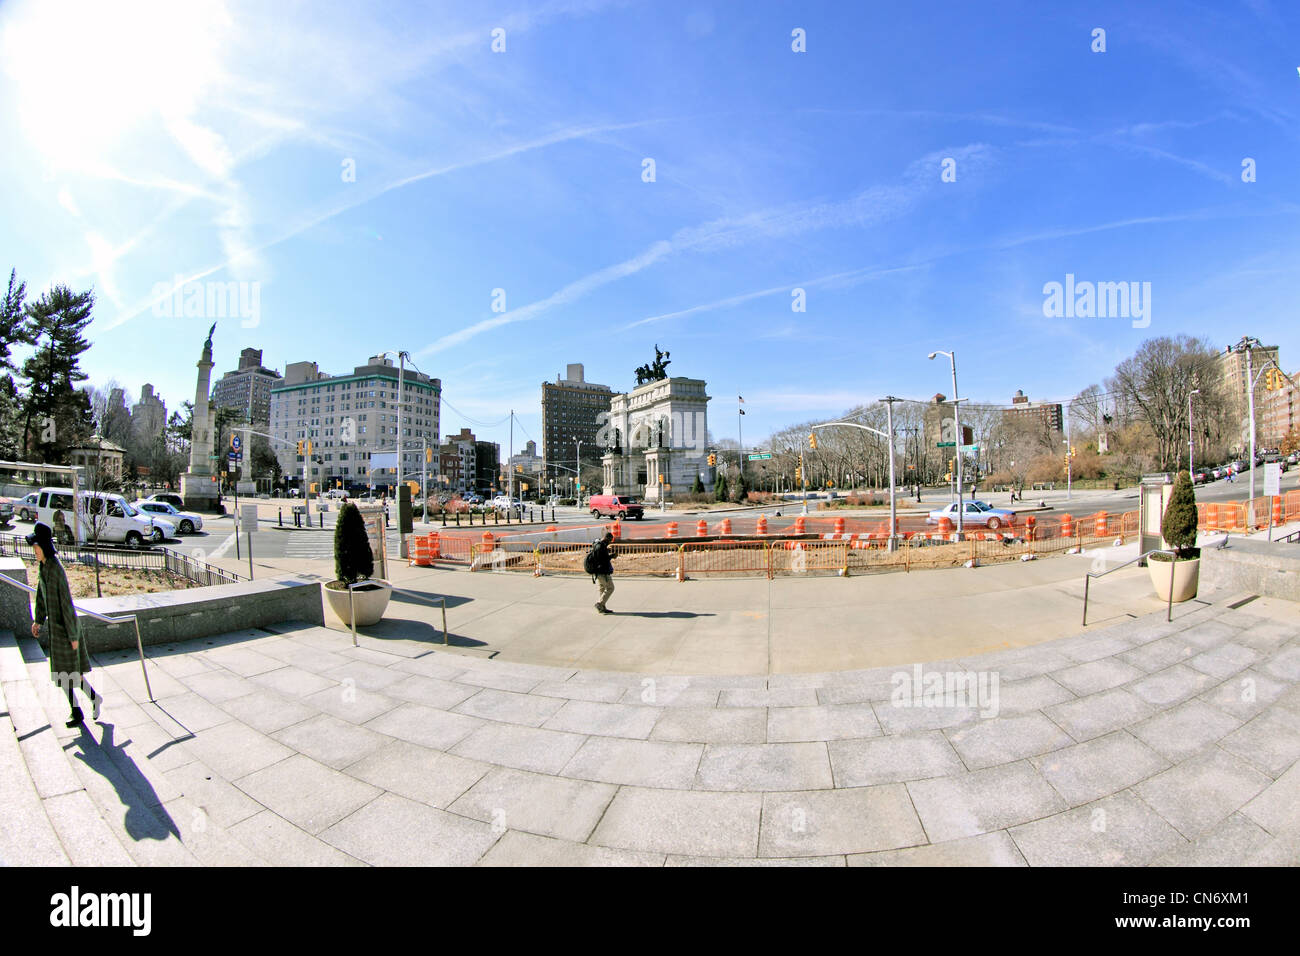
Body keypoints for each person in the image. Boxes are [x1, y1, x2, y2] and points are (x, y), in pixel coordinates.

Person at [28, 522, 102, 728]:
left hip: (66, 631)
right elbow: (41, 596)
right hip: (56, 631)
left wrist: (73, 638)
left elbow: (67, 605)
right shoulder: (44, 567)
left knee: (71, 675)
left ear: (44, 548)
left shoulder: (56, 570)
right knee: (64, 675)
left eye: (36, 548)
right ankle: (78, 710)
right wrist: (38, 620)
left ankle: (90, 702)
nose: (34, 552)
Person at [591, 532, 616, 614]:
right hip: (602, 571)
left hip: (598, 571)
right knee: (610, 588)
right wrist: (611, 556)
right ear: (606, 538)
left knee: (602, 589)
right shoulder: (600, 546)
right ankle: (600, 604)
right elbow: (602, 560)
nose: (610, 542)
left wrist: (607, 551)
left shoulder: (598, 544)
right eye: (609, 540)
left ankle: (602, 607)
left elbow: (601, 556)